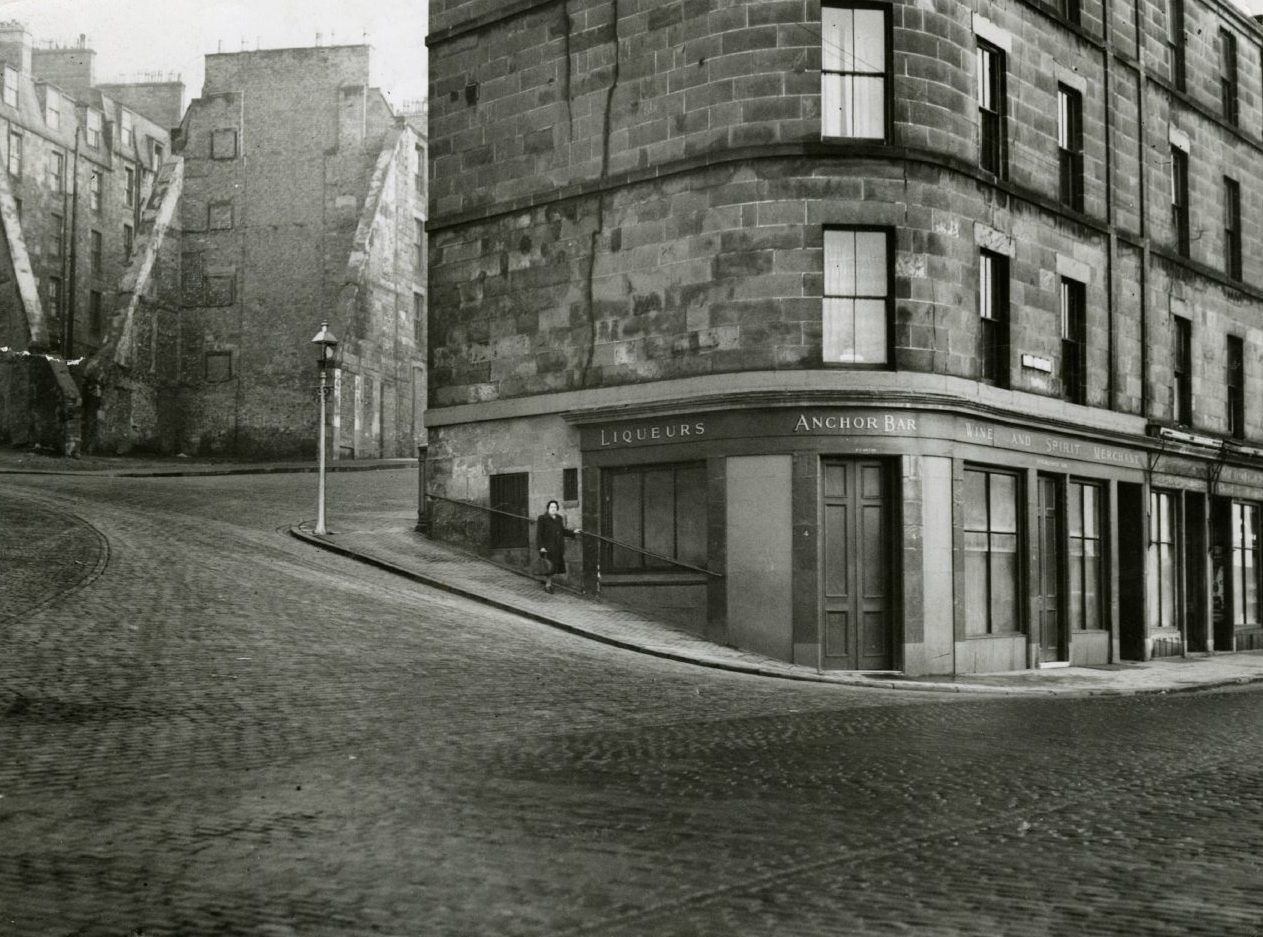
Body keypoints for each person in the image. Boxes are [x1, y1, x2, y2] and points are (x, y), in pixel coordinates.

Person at [536, 499, 580, 593]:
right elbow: (539, 534)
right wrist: (541, 547)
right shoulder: (542, 518)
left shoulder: (559, 518)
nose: (553, 509)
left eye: (555, 507)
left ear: (557, 509)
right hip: (548, 547)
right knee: (549, 566)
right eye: (551, 507)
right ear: (548, 508)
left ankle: (549, 583)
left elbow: (562, 531)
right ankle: (548, 585)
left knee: (554, 566)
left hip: (558, 547)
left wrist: (573, 532)